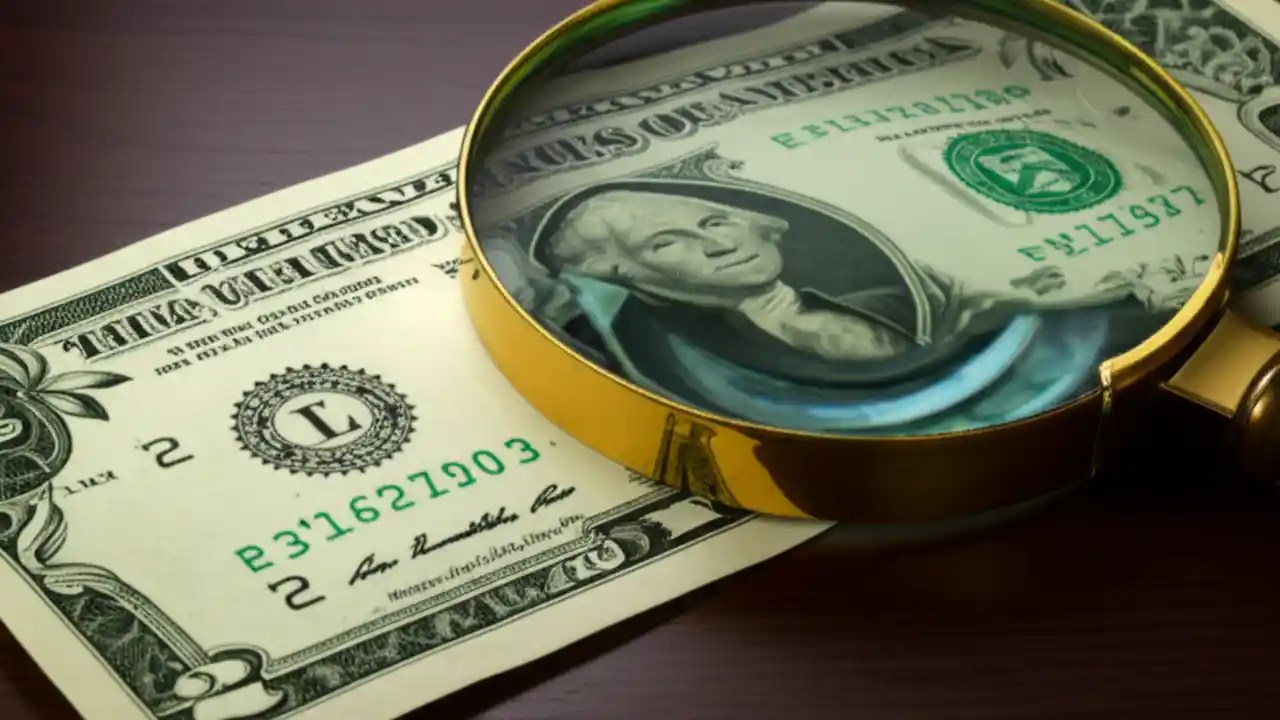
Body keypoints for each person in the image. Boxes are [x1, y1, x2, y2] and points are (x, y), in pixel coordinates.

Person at [525, 179, 1054, 396]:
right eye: (666, 243)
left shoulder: (903, 300)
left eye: (714, 222)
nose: (717, 244)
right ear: (620, 274)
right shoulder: (650, 361)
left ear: (756, 221)